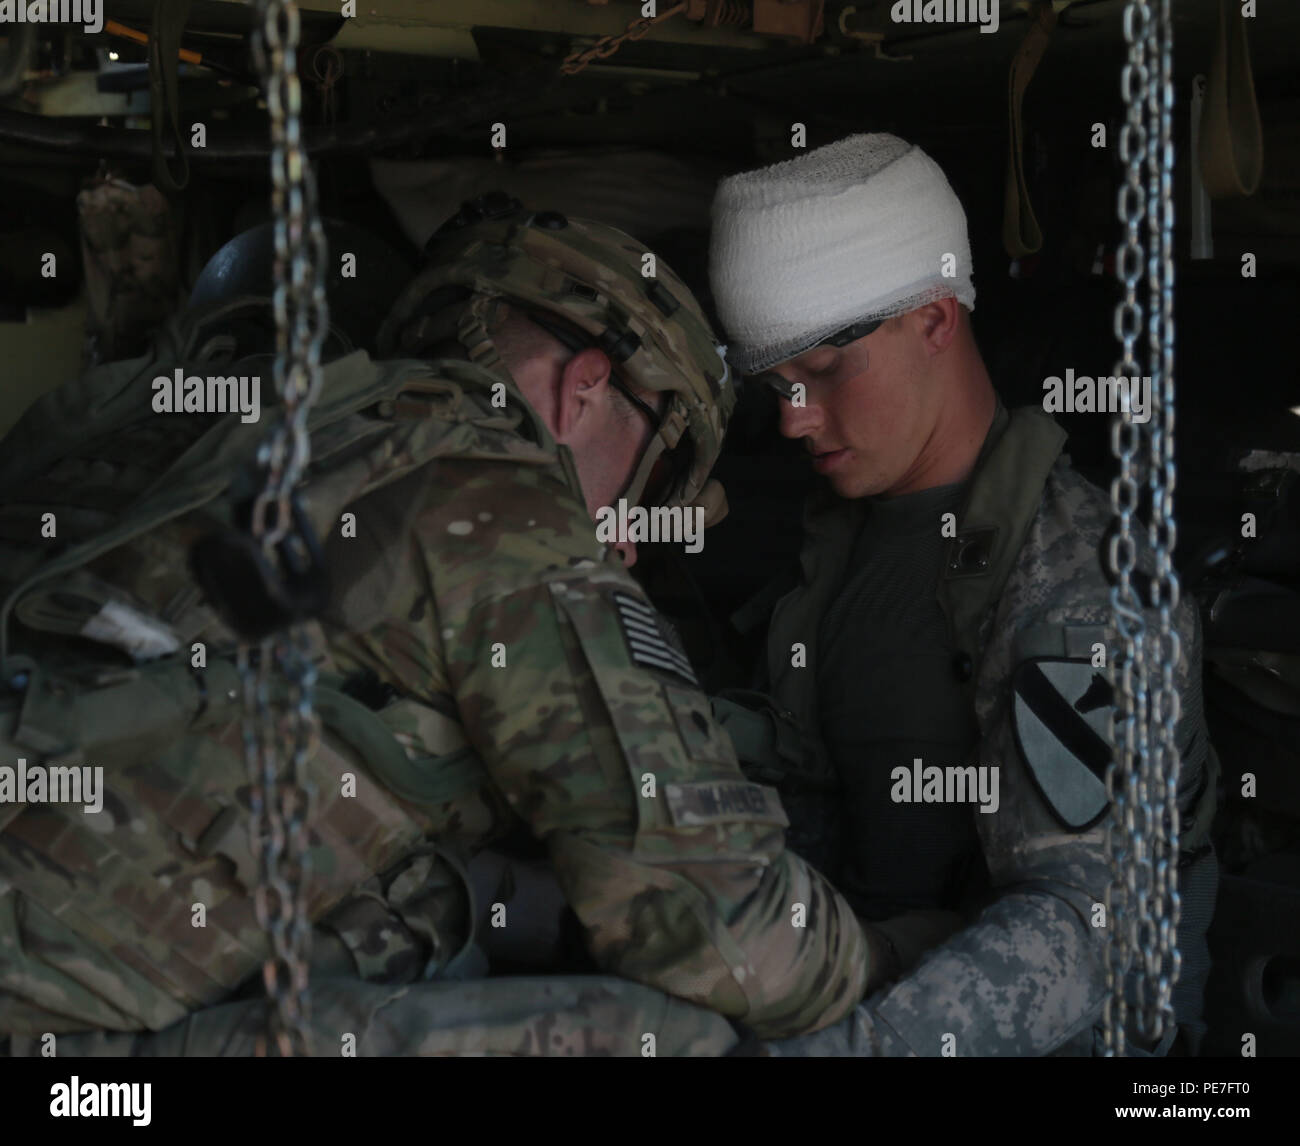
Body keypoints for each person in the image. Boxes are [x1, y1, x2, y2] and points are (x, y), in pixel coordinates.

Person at [0, 195, 871, 1056]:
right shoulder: (490, 498)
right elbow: (724, 935)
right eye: (653, 484)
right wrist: (898, 954)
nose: (633, 545)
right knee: (673, 1038)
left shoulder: (168, 424)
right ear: (585, 389)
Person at [707, 135, 1219, 1056]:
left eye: (823, 374)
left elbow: (1083, 928)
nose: (792, 418)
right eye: (776, 385)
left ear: (935, 319)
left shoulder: (1080, 582)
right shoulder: (828, 540)